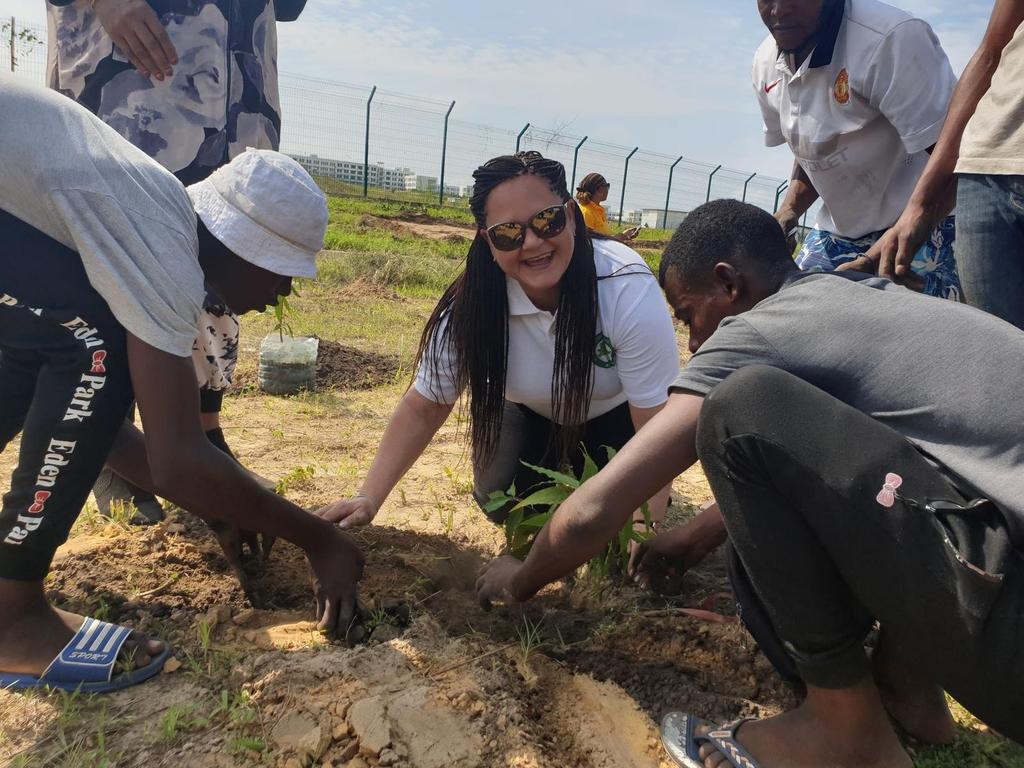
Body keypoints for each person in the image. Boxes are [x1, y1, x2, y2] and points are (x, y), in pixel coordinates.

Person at [476, 199, 1024, 767]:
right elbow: (874, 467)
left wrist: (522, 578)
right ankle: (907, 694)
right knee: (760, 518)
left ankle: (844, 732)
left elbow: (596, 509)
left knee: (738, 410)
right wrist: (699, 533)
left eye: (688, 316)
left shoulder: (762, 330)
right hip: (1004, 580)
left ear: (727, 284)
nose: (692, 343)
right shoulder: (865, 300)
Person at [0, 81, 362, 693]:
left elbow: (95, 430)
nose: (283, 295)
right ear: (246, 251)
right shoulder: (163, 253)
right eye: (283, 274)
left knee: (42, 352)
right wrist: (317, 537)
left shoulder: (141, 217)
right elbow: (175, 460)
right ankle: (12, 620)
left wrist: (219, 502)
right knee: (98, 351)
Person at [317, 152, 680, 579]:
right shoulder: (472, 305)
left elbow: (656, 425)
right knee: (500, 495)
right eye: (508, 233)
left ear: (570, 215)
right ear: (487, 241)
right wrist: (369, 498)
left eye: (546, 221)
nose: (532, 243)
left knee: (610, 516)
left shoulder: (623, 287)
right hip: (531, 414)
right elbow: (426, 404)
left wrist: (644, 527)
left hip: (616, 418)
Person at [45, 0, 309, 521]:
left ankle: (200, 437)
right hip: (139, 84)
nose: (282, 295)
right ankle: (113, 448)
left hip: (235, 86)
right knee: (117, 271)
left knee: (219, 271)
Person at [755, 0, 961, 299]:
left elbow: (956, 155)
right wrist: (789, 210)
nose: (779, 10)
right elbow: (817, 148)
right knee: (793, 315)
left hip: (928, 225)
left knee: (914, 336)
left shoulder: (889, 39)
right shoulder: (766, 61)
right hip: (838, 233)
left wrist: (910, 225)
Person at [844, 0, 1024, 329]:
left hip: (988, 173)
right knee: (996, 355)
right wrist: (921, 204)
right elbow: (991, 51)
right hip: (986, 169)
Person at [575, 173, 641, 242]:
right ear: (600, 190)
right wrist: (619, 238)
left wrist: (623, 236)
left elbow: (601, 238)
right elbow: (590, 240)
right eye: (607, 186)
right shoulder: (586, 212)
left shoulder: (598, 211)